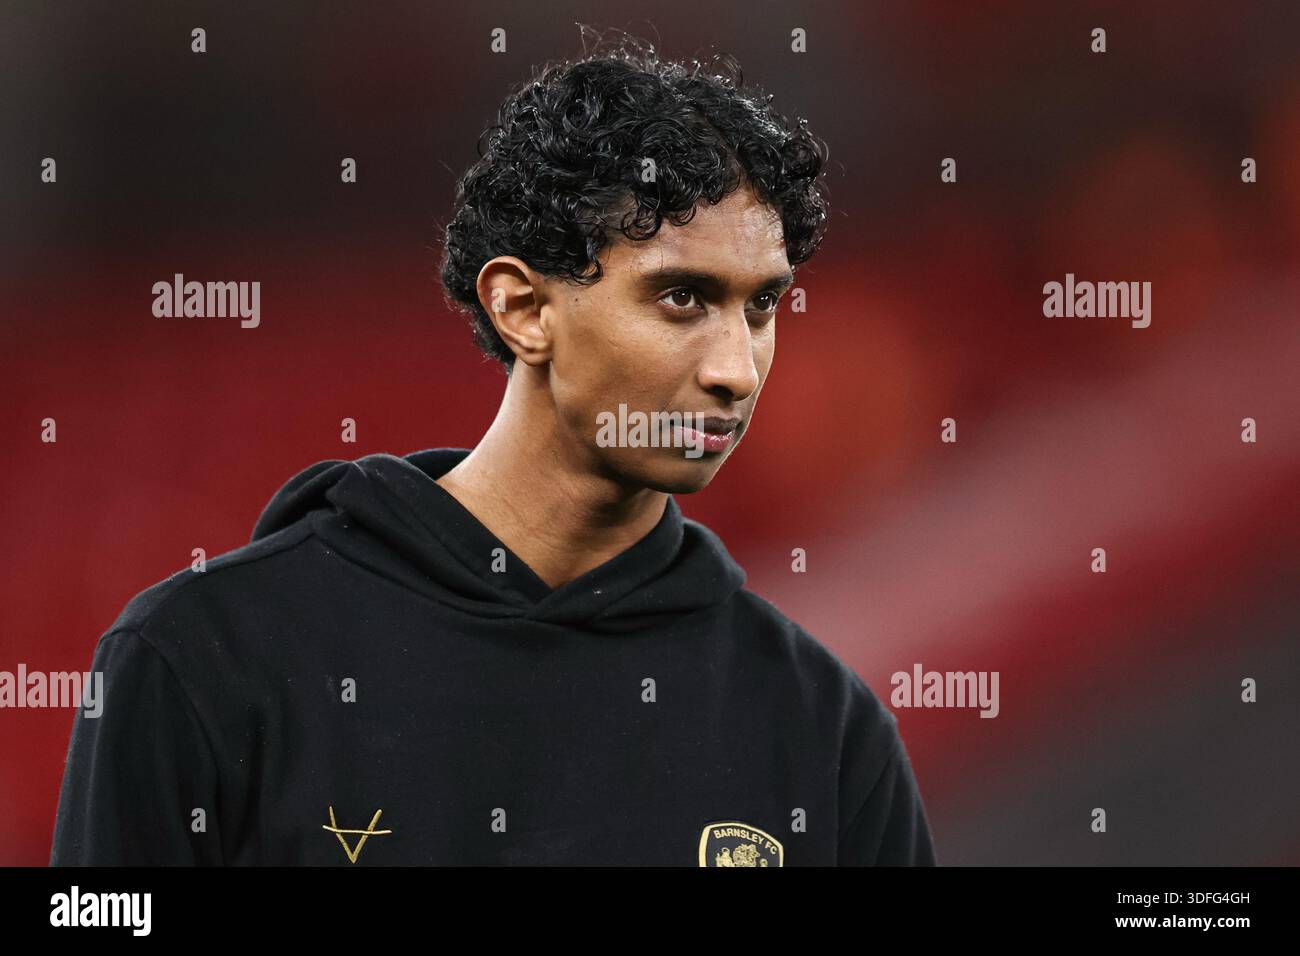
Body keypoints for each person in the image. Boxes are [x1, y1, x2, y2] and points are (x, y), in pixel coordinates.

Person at [50, 33, 936, 866]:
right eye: (680, 298)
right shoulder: (206, 659)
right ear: (522, 309)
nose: (737, 371)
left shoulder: (822, 732)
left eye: (762, 307)